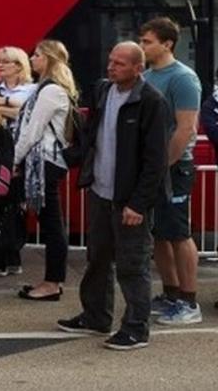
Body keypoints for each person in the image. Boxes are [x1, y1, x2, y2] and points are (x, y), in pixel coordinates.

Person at [57, 42, 169, 351]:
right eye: (110, 61)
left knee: (132, 265)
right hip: (100, 191)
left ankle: (136, 328)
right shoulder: (104, 91)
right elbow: (93, 136)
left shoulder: (151, 102)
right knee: (98, 258)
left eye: (119, 63)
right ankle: (96, 316)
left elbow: (155, 160)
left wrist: (138, 203)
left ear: (138, 68)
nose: (111, 67)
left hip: (129, 198)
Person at [139, 17, 203, 325]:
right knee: (160, 235)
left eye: (148, 41)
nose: (142, 46)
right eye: (141, 41)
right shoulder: (147, 76)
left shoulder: (183, 78)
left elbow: (185, 128)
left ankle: (189, 302)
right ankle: (170, 293)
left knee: (178, 234)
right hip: (153, 168)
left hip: (175, 169)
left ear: (167, 44)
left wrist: (164, 164)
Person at [12, 40, 77, 302]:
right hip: (43, 163)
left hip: (46, 163)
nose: (32, 58)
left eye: (37, 55)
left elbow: (32, 131)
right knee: (48, 222)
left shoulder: (51, 91)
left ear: (48, 59)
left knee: (51, 224)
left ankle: (53, 282)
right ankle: (50, 280)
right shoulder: (48, 89)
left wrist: (14, 160)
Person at [0, 46, 37, 277]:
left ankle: (12, 255)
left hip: (22, 155)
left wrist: (0, 104)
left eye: (6, 62)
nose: (0, 65)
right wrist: (10, 106)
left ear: (19, 65)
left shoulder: (33, 89)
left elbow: (26, 114)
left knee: (15, 208)